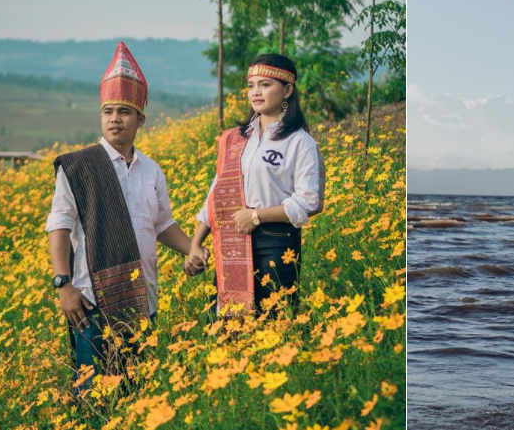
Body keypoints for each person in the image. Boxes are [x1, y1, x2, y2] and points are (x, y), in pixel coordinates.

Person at [46, 42, 193, 395]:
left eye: (124, 112)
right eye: (108, 111)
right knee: (95, 398)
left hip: (144, 301)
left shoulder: (152, 171)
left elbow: (162, 226)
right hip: (91, 303)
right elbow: (59, 225)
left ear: (140, 119)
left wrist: (195, 250)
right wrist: (63, 285)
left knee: (139, 397)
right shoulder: (79, 167)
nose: (115, 118)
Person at [187, 53, 323, 316]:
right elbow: (217, 194)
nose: (256, 92)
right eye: (251, 86)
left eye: (265, 85)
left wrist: (256, 216)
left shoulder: (299, 142)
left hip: (276, 240)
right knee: (230, 324)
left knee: (274, 322)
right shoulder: (236, 139)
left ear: (287, 90)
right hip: (233, 241)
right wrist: (196, 243)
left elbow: (308, 201)